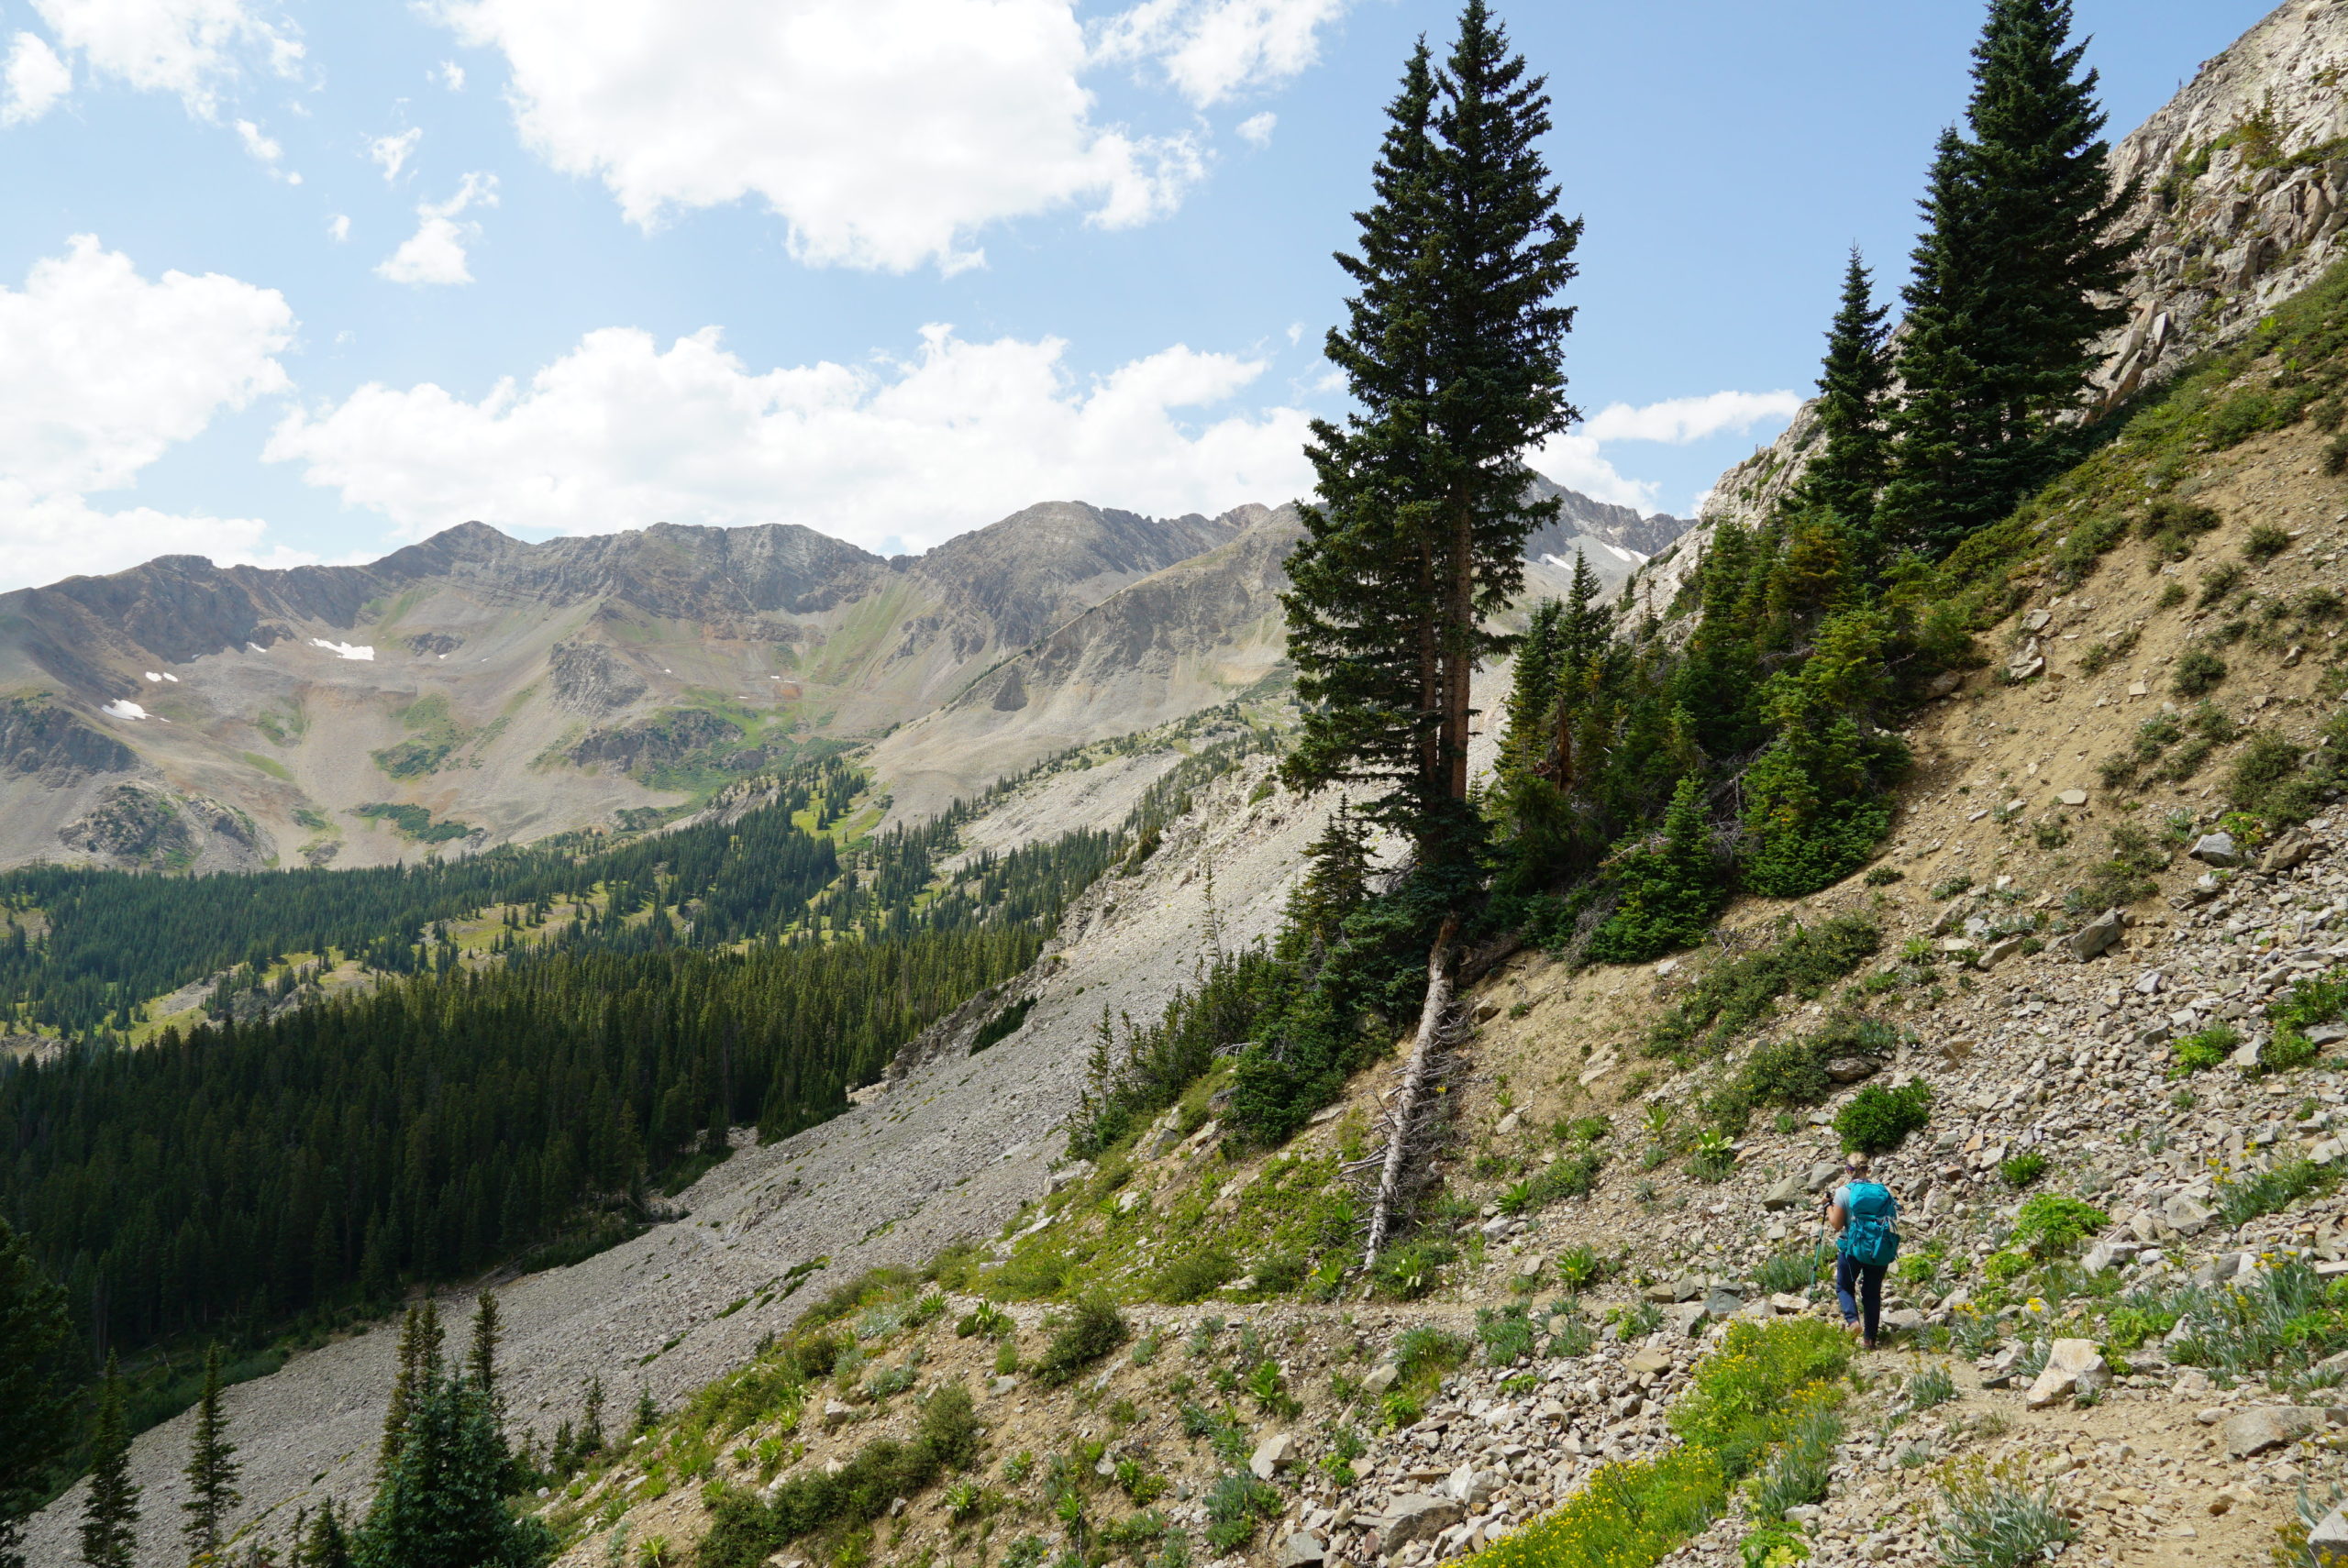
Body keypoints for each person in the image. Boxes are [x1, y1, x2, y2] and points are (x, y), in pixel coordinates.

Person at [1823, 1151, 1899, 1351]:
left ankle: (1853, 1321)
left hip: (1852, 1249)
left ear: (1849, 1170)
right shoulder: (1882, 1191)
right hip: (1878, 1248)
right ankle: (1870, 1340)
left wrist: (1829, 1207)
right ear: (1868, 1169)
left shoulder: (1843, 1192)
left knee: (1844, 1287)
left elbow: (1836, 1225)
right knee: (1872, 1294)